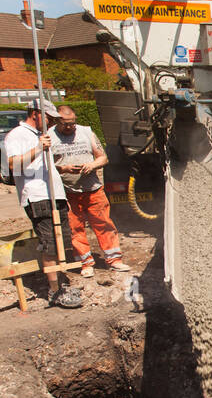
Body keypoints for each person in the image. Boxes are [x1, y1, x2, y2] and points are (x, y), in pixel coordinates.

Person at [0, 100, 83, 307]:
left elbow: (40, 166)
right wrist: (38, 148)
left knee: (62, 241)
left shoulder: (38, 136)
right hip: (38, 197)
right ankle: (54, 290)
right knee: (50, 244)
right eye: (48, 117)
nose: (50, 122)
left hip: (55, 195)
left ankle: (61, 283)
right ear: (36, 113)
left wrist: (62, 169)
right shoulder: (17, 135)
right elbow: (13, 165)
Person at [49, 105, 130, 278]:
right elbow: (46, 167)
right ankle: (85, 262)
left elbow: (103, 157)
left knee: (103, 223)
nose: (70, 127)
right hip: (67, 191)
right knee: (74, 228)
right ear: (57, 121)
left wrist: (92, 165)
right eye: (66, 124)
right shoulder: (50, 137)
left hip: (92, 189)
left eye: (73, 123)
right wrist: (64, 168)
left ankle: (114, 259)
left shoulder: (86, 132)